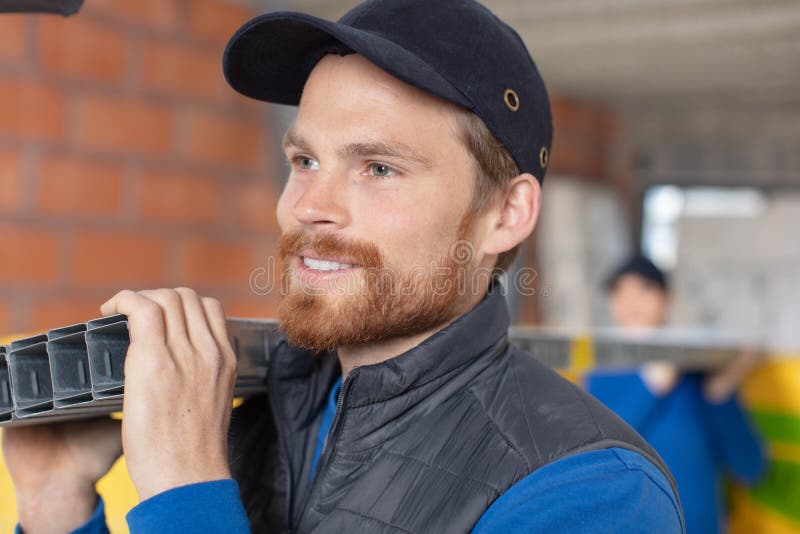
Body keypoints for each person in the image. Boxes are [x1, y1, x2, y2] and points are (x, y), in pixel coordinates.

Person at [3, 1, 684, 532]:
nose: (307, 207)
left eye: (378, 168)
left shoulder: (591, 493)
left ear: (505, 214)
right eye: (304, 161)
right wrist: (56, 503)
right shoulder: (248, 414)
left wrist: (186, 494)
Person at [586, 254, 766, 534]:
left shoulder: (698, 377)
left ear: (668, 300)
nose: (631, 302)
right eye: (620, 291)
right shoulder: (600, 376)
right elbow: (599, 462)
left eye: (644, 290)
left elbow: (751, 467)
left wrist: (721, 393)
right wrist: (650, 385)